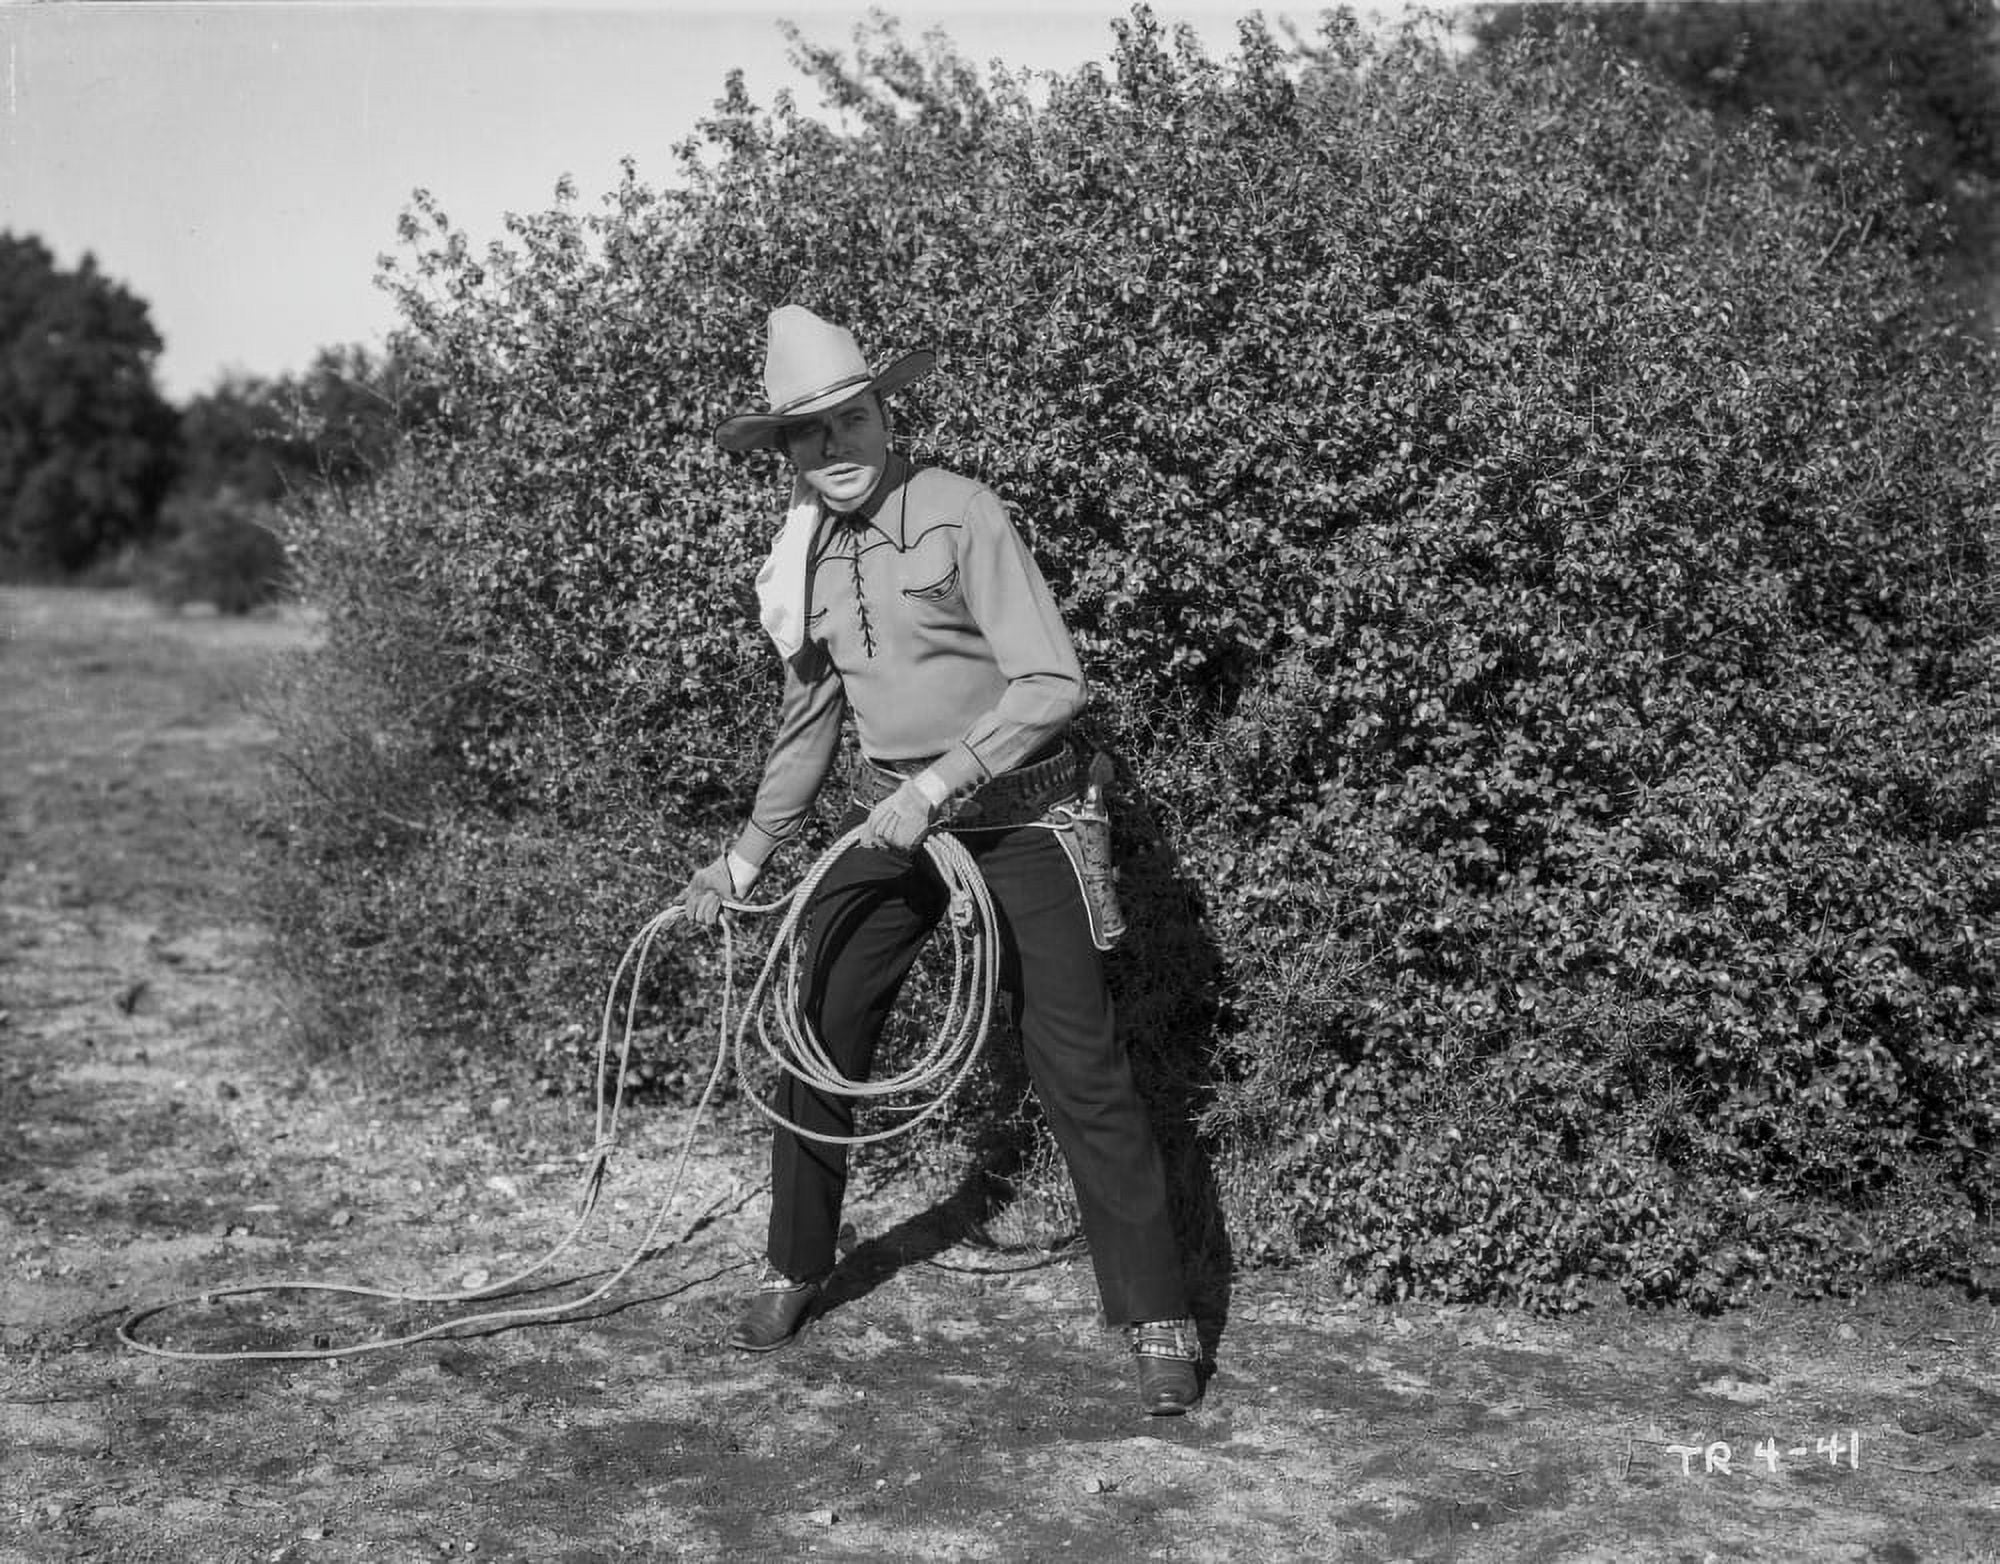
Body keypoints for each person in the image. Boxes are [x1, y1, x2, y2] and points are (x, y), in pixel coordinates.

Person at [678, 304, 1202, 1416]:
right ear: (784, 452)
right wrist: (741, 859)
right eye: (806, 436)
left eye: (849, 422)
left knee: (1075, 1060)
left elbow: (1050, 685)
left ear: (883, 413)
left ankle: (1157, 1310)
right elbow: (809, 721)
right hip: (888, 822)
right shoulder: (804, 555)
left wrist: (938, 784)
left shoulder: (962, 512)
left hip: (1018, 820)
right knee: (817, 1028)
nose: (833, 452)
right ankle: (794, 1262)